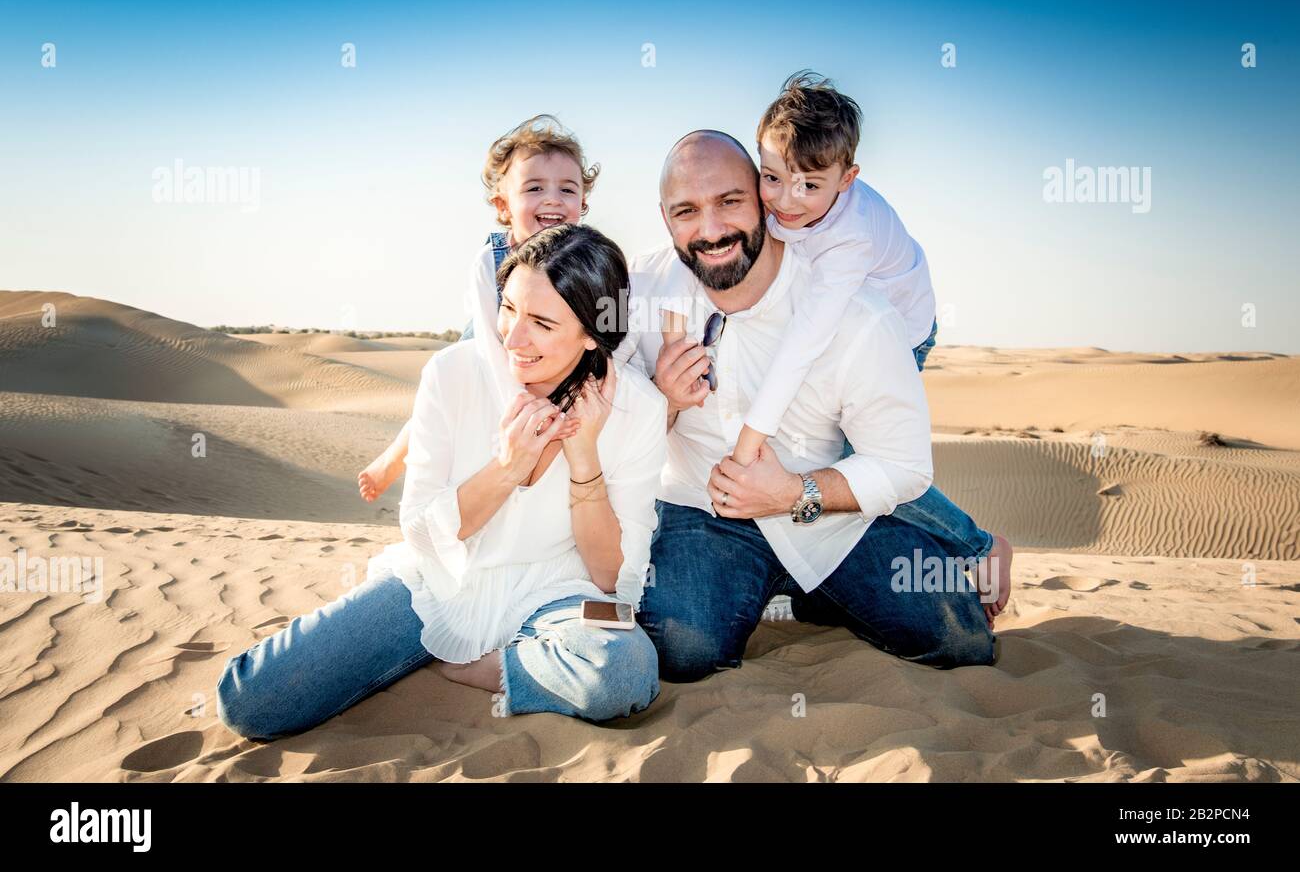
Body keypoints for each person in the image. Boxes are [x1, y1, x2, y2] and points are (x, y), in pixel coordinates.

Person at [217, 225, 665, 739]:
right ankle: (433, 643)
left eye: (541, 323)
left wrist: (584, 457)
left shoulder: (638, 407)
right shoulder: (452, 373)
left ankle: (487, 665)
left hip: (560, 592)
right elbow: (424, 533)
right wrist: (506, 470)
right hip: (442, 580)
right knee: (253, 702)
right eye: (510, 309)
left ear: (592, 332)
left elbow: (611, 579)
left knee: (625, 669)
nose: (512, 338)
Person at [617, 130, 998, 683]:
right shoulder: (639, 291)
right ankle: (777, 592)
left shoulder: (850, 308)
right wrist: (664, 402)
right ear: (664, 217)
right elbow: (608, 435)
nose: (711, 229)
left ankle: (815, 594)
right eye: (686, 211)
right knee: (682, 649)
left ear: (763, 197)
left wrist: (796, 493)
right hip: (703, 515)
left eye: (729, 202)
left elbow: (904, 465)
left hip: (827, 516)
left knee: (959, 637)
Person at [358, 114, 598, 503]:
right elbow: (492, 351)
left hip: (560, 356)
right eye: (535, 187)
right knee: (448, 375)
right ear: (504, 204)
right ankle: (395, 457)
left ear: (582, 203)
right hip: (496, 340)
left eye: (567, 190)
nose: (553, 198)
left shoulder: (592, 260)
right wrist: (522, 413)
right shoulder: (491, 261)